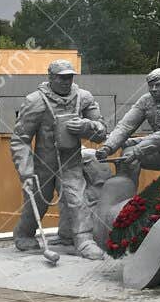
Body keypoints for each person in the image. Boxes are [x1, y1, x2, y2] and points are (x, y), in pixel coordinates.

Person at [10, 60, 108, 260]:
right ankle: (24, 234)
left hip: (70, 162)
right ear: (51, 77)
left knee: (77, 199)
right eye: (61, 77)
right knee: (37, 202)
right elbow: (20, 139)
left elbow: (102, 131)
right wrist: (26, 172)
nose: (66, 82)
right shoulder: (35, 101)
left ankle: (84, 240)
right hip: (43, 164)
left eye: (69, 77)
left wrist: (86, 127)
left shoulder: (83, 98)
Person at [95, 67, 160, 179]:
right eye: (151, 86)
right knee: (127, 152)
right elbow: (125, 126)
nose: (154, 89)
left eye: (158, 85)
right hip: (159, 151)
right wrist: (108, 147)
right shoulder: (146, 100)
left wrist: (138, 150)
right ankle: (124, 191)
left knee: (133, 153)